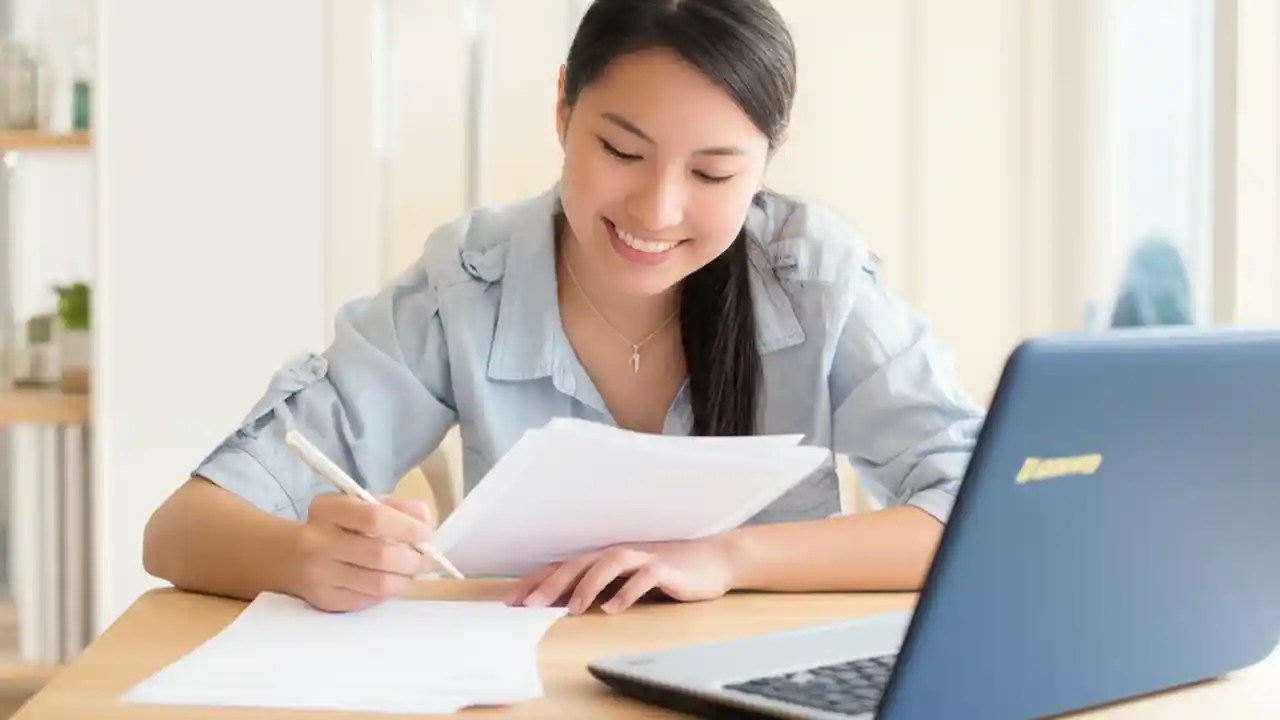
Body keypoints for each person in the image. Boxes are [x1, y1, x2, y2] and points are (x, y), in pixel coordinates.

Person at [143, 0, 983, 617]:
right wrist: (301, 557)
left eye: (714, 174)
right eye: (621, 150)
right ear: (561, 110)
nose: (657, 210)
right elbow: (179, 532)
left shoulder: (814, 277)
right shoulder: (467, 286)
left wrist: (727, 556)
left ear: (767, 161)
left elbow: (981, 514)